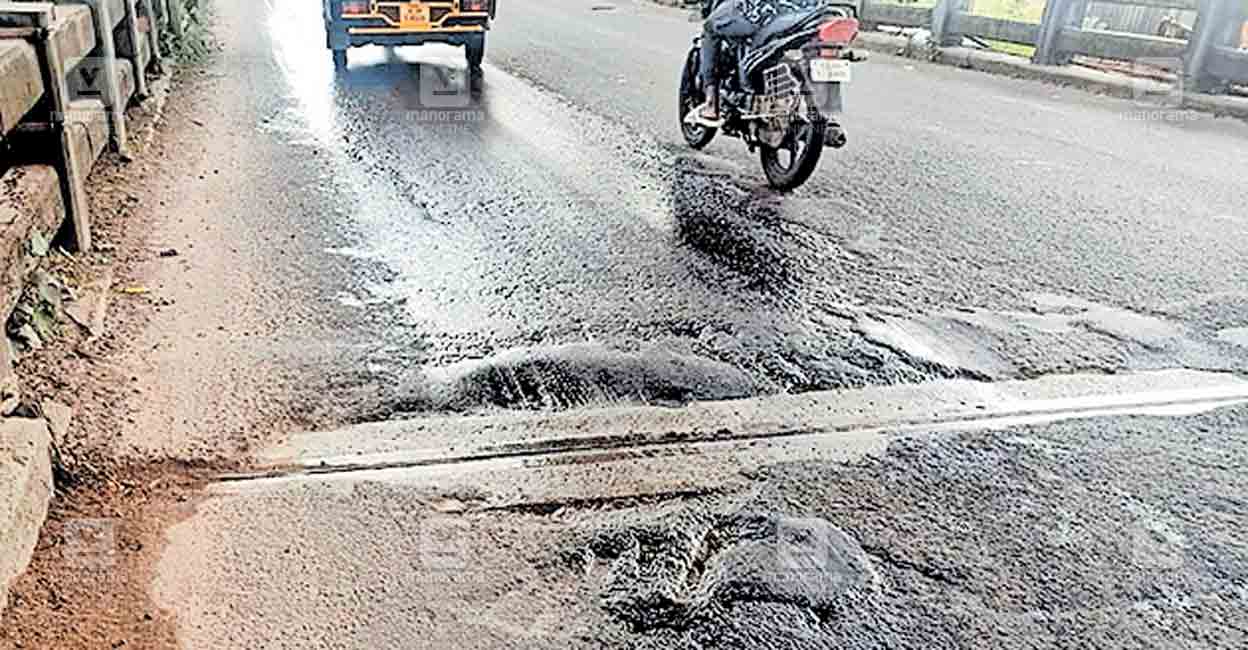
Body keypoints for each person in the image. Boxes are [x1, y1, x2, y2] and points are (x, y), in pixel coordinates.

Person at [688, 0, 821, 127]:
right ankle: (824, 111)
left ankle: (711, 104)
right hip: (811, 12)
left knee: (710, 27)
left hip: (766, 13)